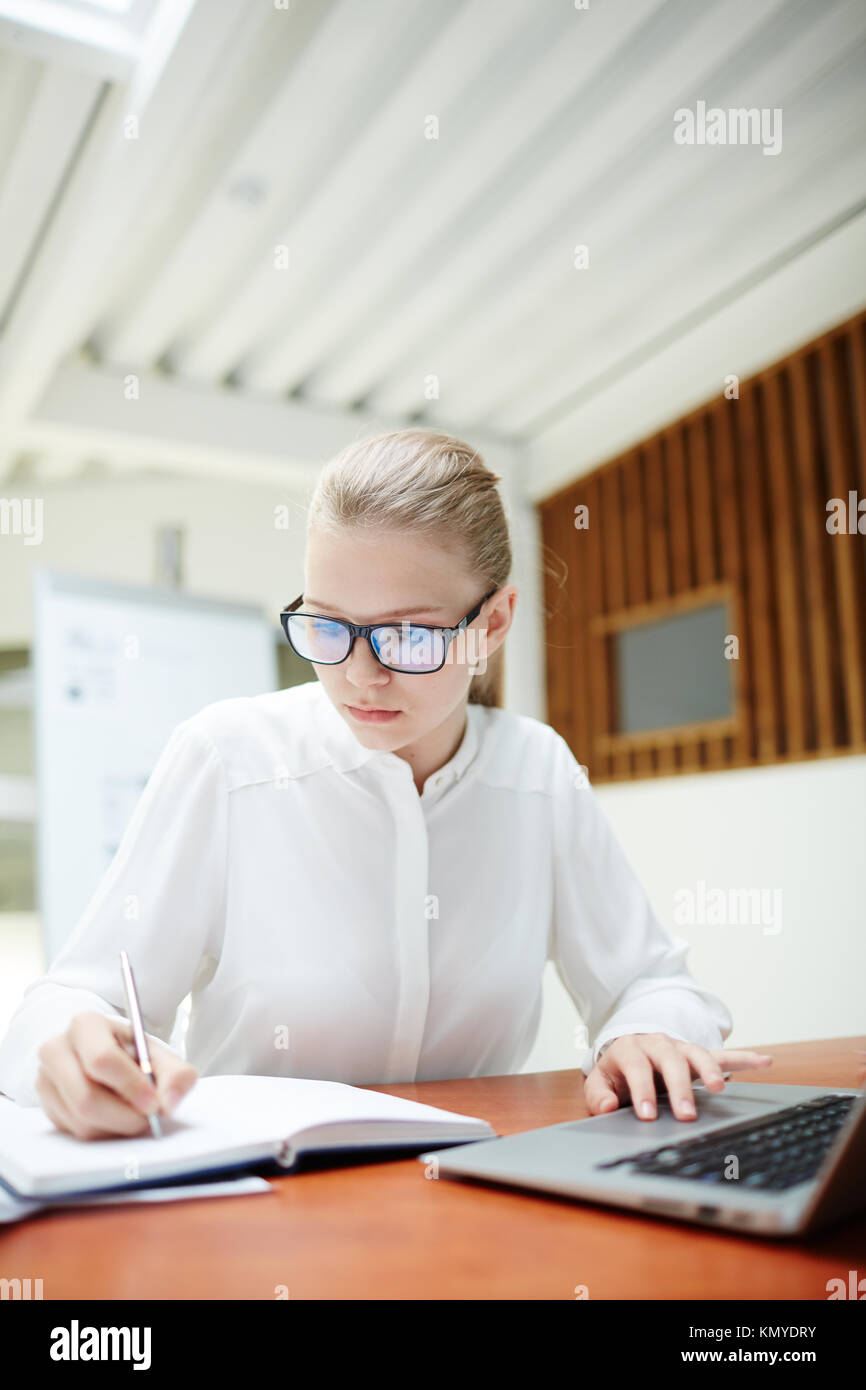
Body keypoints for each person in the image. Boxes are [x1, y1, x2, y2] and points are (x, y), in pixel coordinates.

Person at [0, 428, 770, 1139]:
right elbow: (69, 1001)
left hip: (476, 1190)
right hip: (261, 1201)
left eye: (406, 634)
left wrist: (646, 1029)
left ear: (494, 623)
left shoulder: (537, 774)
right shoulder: (226, 758)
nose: (359, 674)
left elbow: (652, 982)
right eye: (329, 627)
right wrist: (70, 1051)